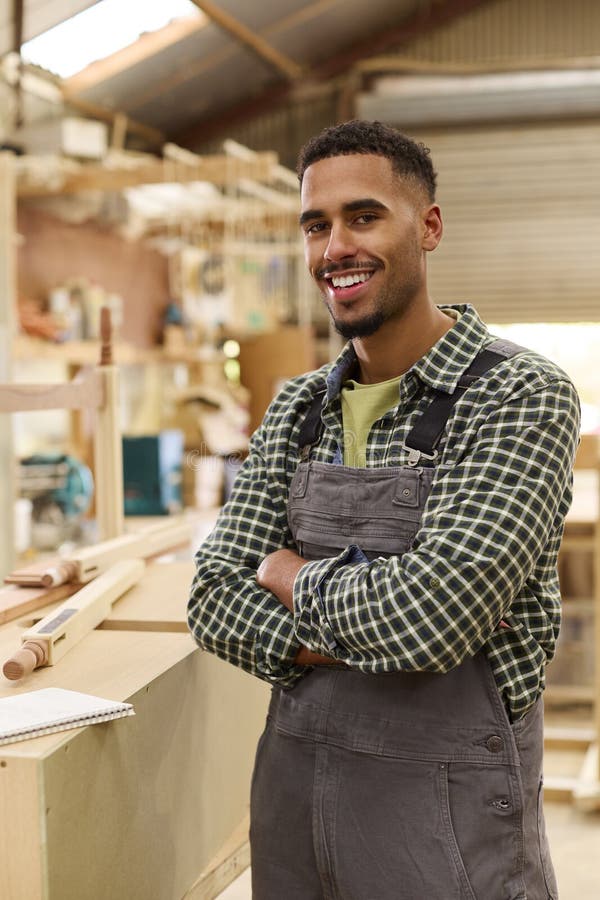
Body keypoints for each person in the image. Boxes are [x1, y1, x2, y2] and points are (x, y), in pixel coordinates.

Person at [187, 120, 580, 900]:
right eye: (316, 225)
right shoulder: (299, 408)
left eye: (363, 217)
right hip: (294, 807)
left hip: (446, 819)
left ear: (428, 227)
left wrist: (292, 576)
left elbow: (436, 614)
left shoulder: (519, 395)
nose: (335, 247)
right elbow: (211, 598)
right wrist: (374, 633)